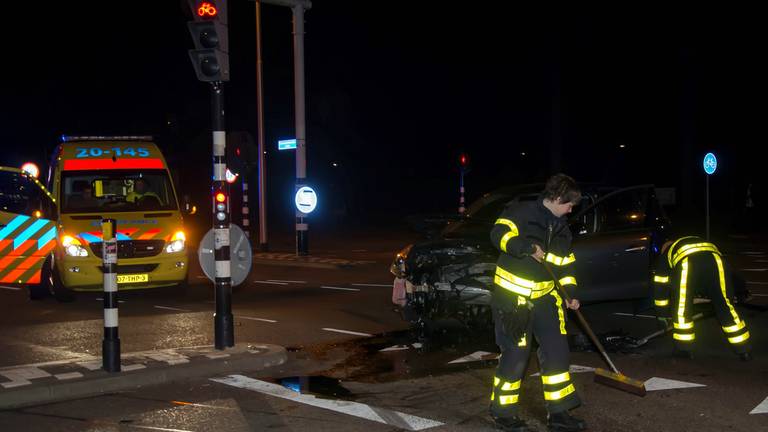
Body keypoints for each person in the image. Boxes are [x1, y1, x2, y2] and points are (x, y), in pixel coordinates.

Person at [488, 173, 586, 432]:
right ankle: (503, 413)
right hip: (513, 299)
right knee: (516, 356)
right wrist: (524, 247)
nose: (571, 209)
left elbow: (566, 267)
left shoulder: (563, 229)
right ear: (555, 198)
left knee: (557, 353)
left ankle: (559, 413)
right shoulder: (521, 212)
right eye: (569, 204)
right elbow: (498, 234)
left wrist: (571, 293)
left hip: (546, 298)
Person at [653, 235, 752, 361]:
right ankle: (744, 350)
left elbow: (660, 285)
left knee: (682, 307)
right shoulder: (696, 242)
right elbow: (731, 272)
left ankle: (684, 349)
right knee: (725, 306)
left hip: (687, 263)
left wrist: (662, 314)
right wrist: (740, 291)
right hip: (717, 261)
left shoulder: (667, 253)